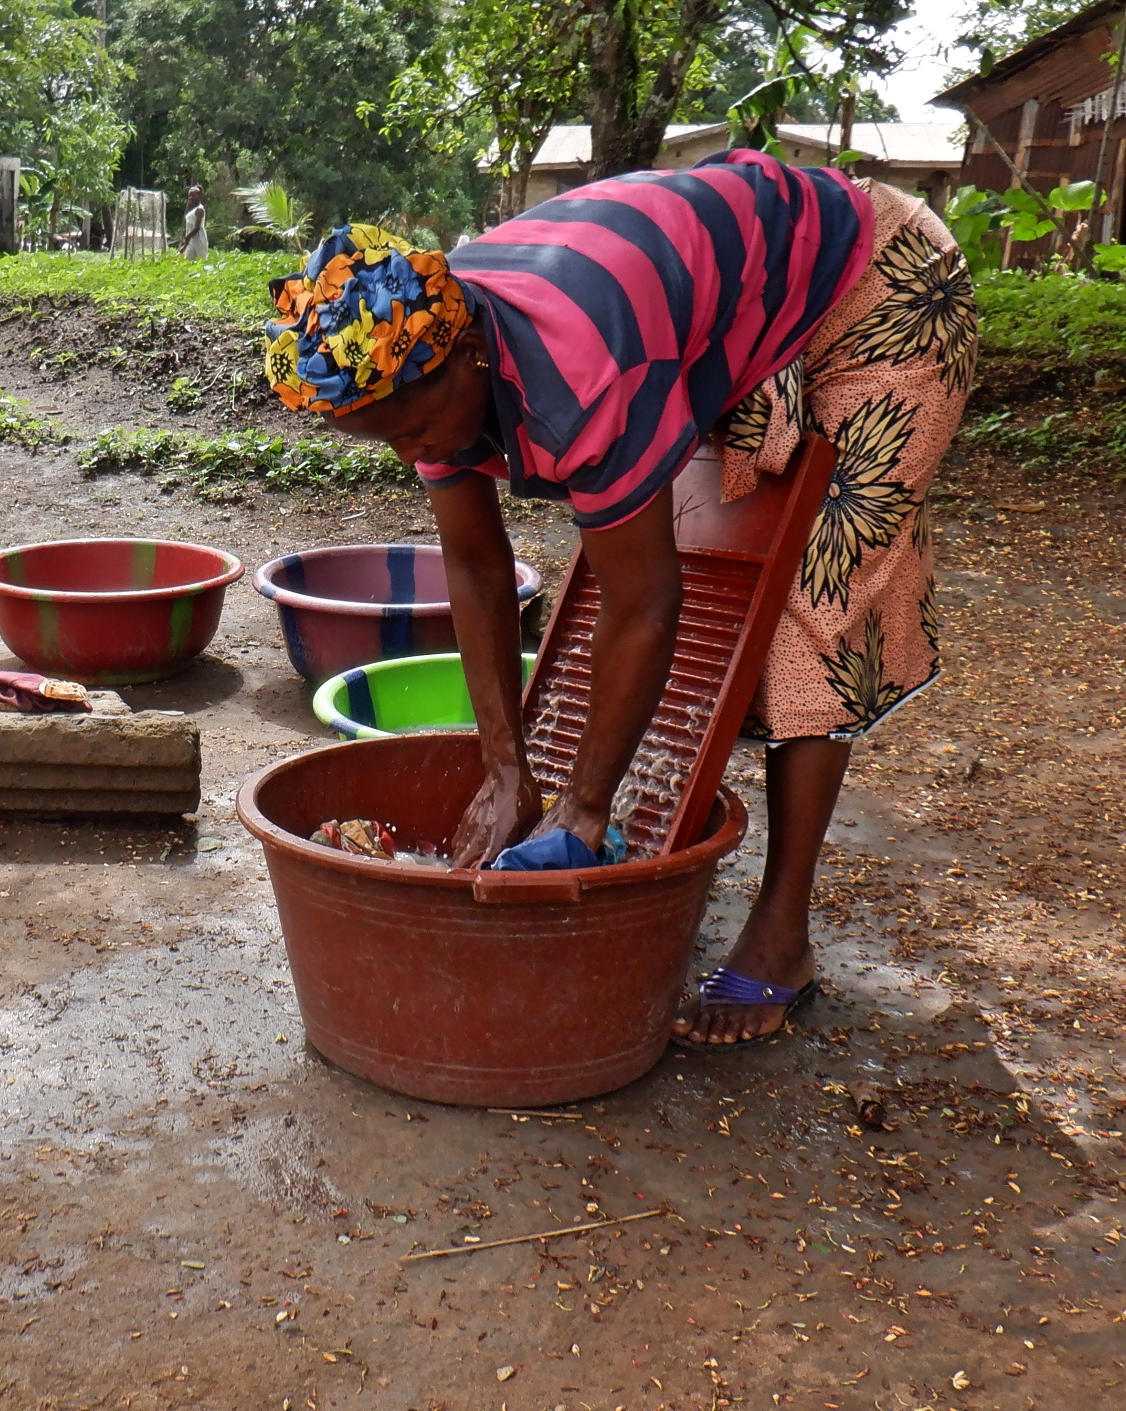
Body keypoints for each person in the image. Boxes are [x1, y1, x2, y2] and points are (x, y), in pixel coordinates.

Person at [262, 152, 976, 1046]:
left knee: (811, 608)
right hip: (742, 305)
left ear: (471, 358)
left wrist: (587, 807)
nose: (410, 456)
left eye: (412, 432)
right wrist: (506, 768)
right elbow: (478, 570)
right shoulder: (421, 344)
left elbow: (645, 603)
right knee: (719, 527)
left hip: (882, 288)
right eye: (385, 443)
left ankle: (782, 934)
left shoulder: (582, 368)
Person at [180, 185, 209, 259]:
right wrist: (186, 243)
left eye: (193, 195)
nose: (191, 198)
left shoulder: (200, 209)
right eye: (189, 196)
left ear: (199, 195)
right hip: (191, 240)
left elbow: (196, 228)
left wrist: (186, 239)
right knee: (189, 264)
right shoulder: (194, 209)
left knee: (199, 263)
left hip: (198, 240)